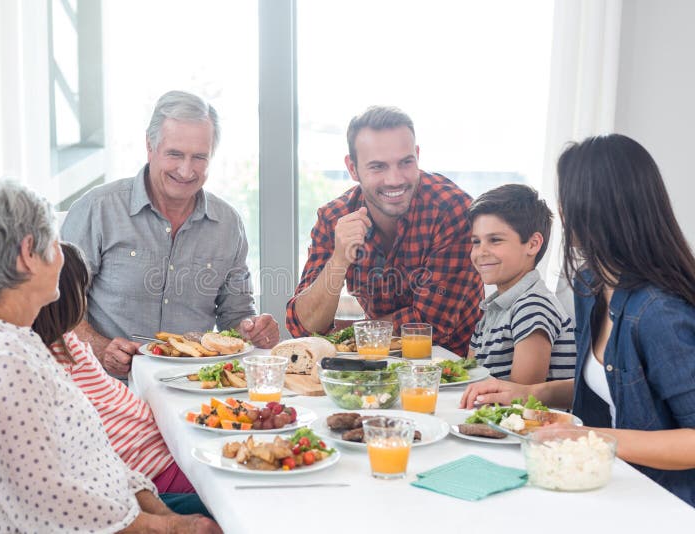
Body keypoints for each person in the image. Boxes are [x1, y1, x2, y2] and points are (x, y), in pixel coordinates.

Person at [0, 176, 221, 533]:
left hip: (118, 510)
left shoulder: (20, 344)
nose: (62, 255)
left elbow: (95, 458)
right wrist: (169, 528)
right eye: (54, 242)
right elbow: (47, 503)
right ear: (28, 254)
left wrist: (165, 516)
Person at [461, 134, 695, 507]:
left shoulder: (659, 312)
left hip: (662, 499)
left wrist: (591, 439)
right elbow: (608, 384)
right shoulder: (591, 285)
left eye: (566, 198)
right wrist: (530, 393)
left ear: (596, 209)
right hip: (605, 479)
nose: (562, 211)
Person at [62, 90, 279, 378]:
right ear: (150, 147)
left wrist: (254, 329)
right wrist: (101, 349)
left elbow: (236, 315)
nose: (186, 170)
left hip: (191, 388)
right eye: (175, 154)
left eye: (199, 157)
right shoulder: (97, 209)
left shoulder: (228, 224)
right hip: (108, 388)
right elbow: (58, 306)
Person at [286, 105, 483, 355]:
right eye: (378, 167)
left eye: (405, 162)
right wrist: (339, 259)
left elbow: (430, 326)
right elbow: (304, 327)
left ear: (417, 156)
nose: (395, 179)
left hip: (453, 372)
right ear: (353, 168)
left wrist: (349, 337)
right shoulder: (334, 217)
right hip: (375, 364)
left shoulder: (452, 210)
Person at [32, 242, 208, 516]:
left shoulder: (68, 342)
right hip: (156, 475)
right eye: (83, 290)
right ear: (68, 299)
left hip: (169, 455)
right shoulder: (45, 366)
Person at [467, 184, 576, 383]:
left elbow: (522, 401)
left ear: (533, 244)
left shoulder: (533, 307)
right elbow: (468, 377)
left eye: (495, 240)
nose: (481, 252)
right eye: (476, 242)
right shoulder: (494, 308)